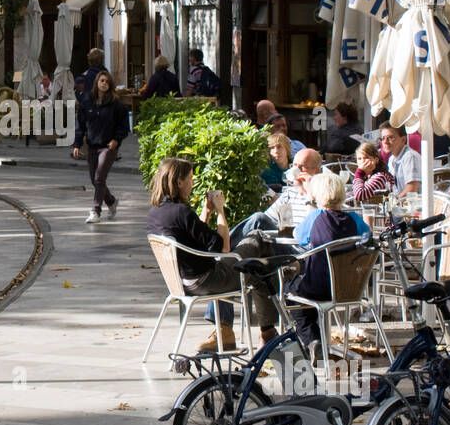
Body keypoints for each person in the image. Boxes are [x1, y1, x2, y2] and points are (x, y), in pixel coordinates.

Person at [144, 157, 282, 353]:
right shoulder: (182, 212)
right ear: (179, 182)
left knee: (257, 263)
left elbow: (198, 241)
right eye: (190, 179)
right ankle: (270, 328)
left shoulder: (156, 213)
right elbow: (222, 248)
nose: (192, 184)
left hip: (183, 281)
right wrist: (220, 211)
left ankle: (239, 332)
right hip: (209, 280)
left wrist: (206, 213)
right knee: (258, 241)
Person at [286, 172, 370, 347]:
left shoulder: (315, 217)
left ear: (317, 195)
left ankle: (313, 340)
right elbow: (368, 238)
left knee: (291, 294)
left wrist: (310, 203)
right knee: (303, 293)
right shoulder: (355, 219)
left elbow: (298, 237)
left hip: (318, 287)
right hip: (349, 288)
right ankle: (318, 341)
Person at [73, 70, 130, 223]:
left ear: (110, 84)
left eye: (107, 81)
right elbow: (81, 126)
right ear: (97, 83)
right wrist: (77, 144)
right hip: (92, 145)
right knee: (95, 180)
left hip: (108, 147)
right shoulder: (87, 103)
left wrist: (116, 140)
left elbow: (123, 126)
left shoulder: (116, 104)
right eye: (102, 81)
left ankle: (96, 211)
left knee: (99, 178)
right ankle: (111, 201)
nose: (104, 83)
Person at [244, 147, 322, 236]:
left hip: (304, 247)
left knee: (258, 218)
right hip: (285, 243)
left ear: (317, 171)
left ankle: (227, 246)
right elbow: (268, 219)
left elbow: (317, 230)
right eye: (294, 165)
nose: (296, 170)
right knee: (253, 236)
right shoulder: (291, 193)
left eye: (302, 167)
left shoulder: (325, 194)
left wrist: (309, 192)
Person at [380, 124, 419, 194]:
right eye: (383, 138)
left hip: (414, 203)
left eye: (390, 137)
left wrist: (395, 203)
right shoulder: (392, 159)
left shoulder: (410, 157)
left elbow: (412, 189)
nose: (385, 142)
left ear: (403, 139)